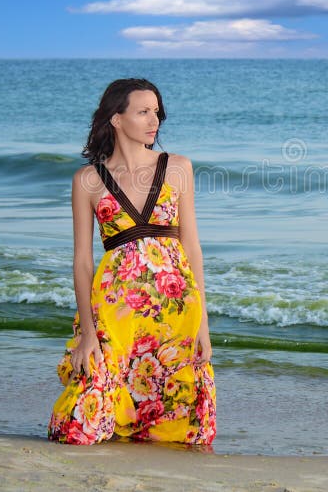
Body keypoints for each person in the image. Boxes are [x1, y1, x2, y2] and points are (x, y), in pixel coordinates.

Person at [47, 78, 217, 446]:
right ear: (116, 119)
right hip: (115, 310)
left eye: (156, 112)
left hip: (175, 308)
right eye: (143, 112)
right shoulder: (88, 180)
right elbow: (81, 261)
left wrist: (203, 321)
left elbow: (191, 244)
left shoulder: (177, 167)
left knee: (180, 424)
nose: (154, 120)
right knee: (78, 430)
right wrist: (88, 333)